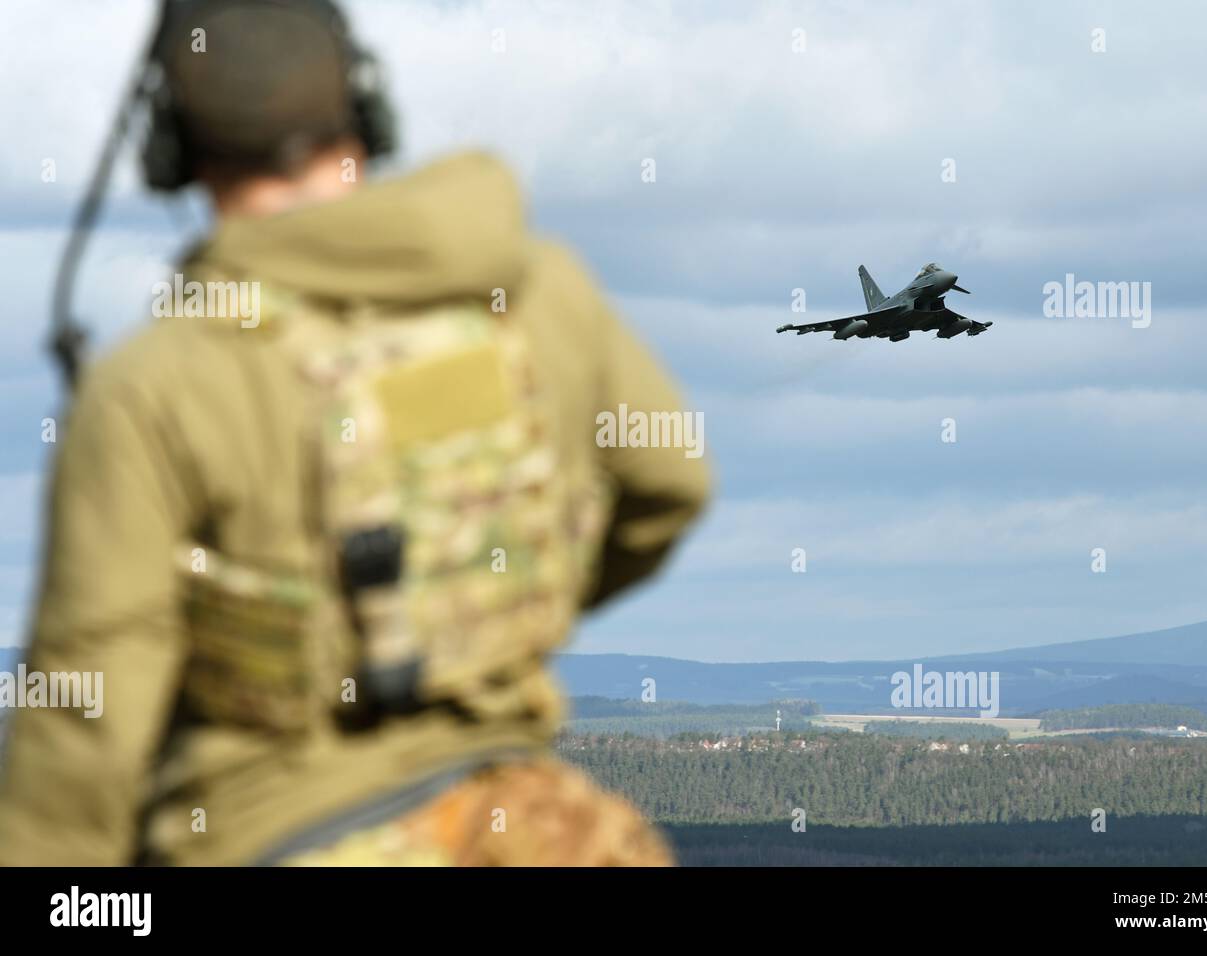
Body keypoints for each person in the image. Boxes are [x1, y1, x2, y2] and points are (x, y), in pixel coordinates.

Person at [0, 0, 709, 866]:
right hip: (536, 831)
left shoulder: (156, 386)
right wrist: (484, 622)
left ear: (172, 146)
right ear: (365, 111)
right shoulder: (543, 294)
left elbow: (87, 719)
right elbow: (671, 485)